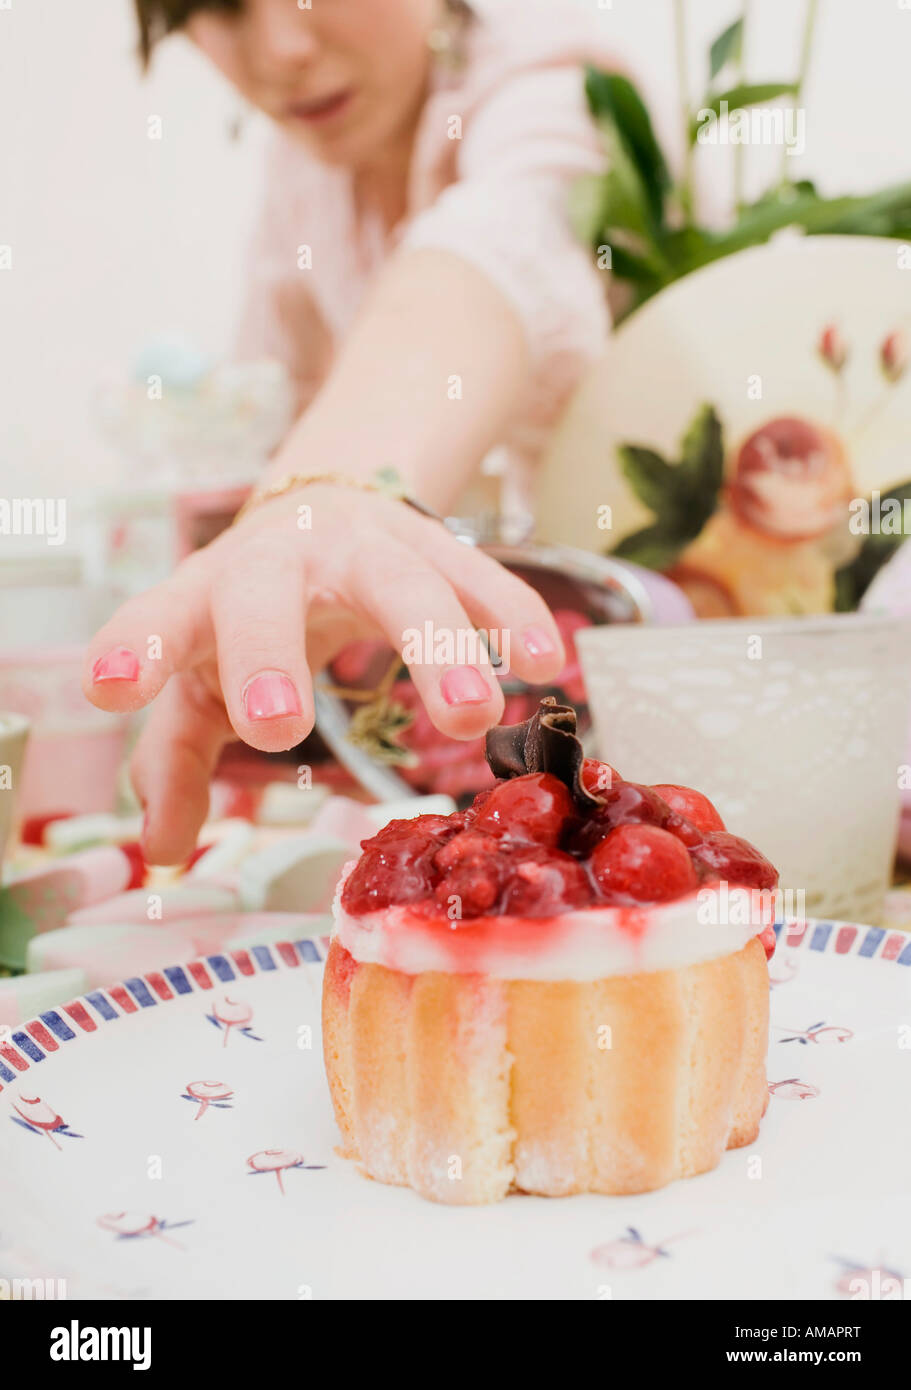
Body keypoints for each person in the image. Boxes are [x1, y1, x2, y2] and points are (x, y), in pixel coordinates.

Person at [85, 0, 612, 862]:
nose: (283, 48)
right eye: (214, 6)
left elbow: (500, 247)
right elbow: (276, 414)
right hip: (484, 761)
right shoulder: (303, 177)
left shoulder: (556, 90)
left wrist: (333, 495)